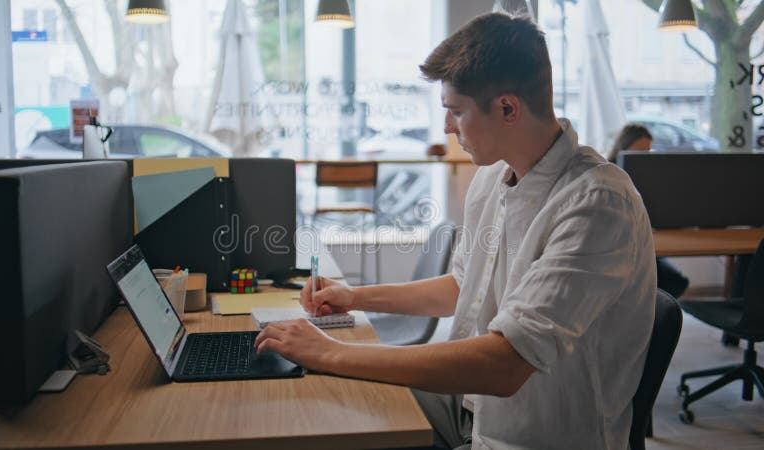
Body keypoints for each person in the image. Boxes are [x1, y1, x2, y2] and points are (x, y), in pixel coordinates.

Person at [254, 12, 655, 450]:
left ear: (507, 108)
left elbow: (505, 364)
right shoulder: (492, 177)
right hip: (471, 408)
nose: (447, 127)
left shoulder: (598, 204)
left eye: (455, 111)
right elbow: (463, 286)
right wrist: (355, 298)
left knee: (336, 400)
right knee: (326, 398)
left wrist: (328, 351)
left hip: (533, 437)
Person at [611, 123, 691, 298]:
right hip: (622, 247)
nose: (644, 157)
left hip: (649, 242)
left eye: (648, 152)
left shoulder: (651, 177)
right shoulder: (609, 177)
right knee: (669, 281)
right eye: (639, 152)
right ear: (623, 148)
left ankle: (653, 317)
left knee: (676, 282)